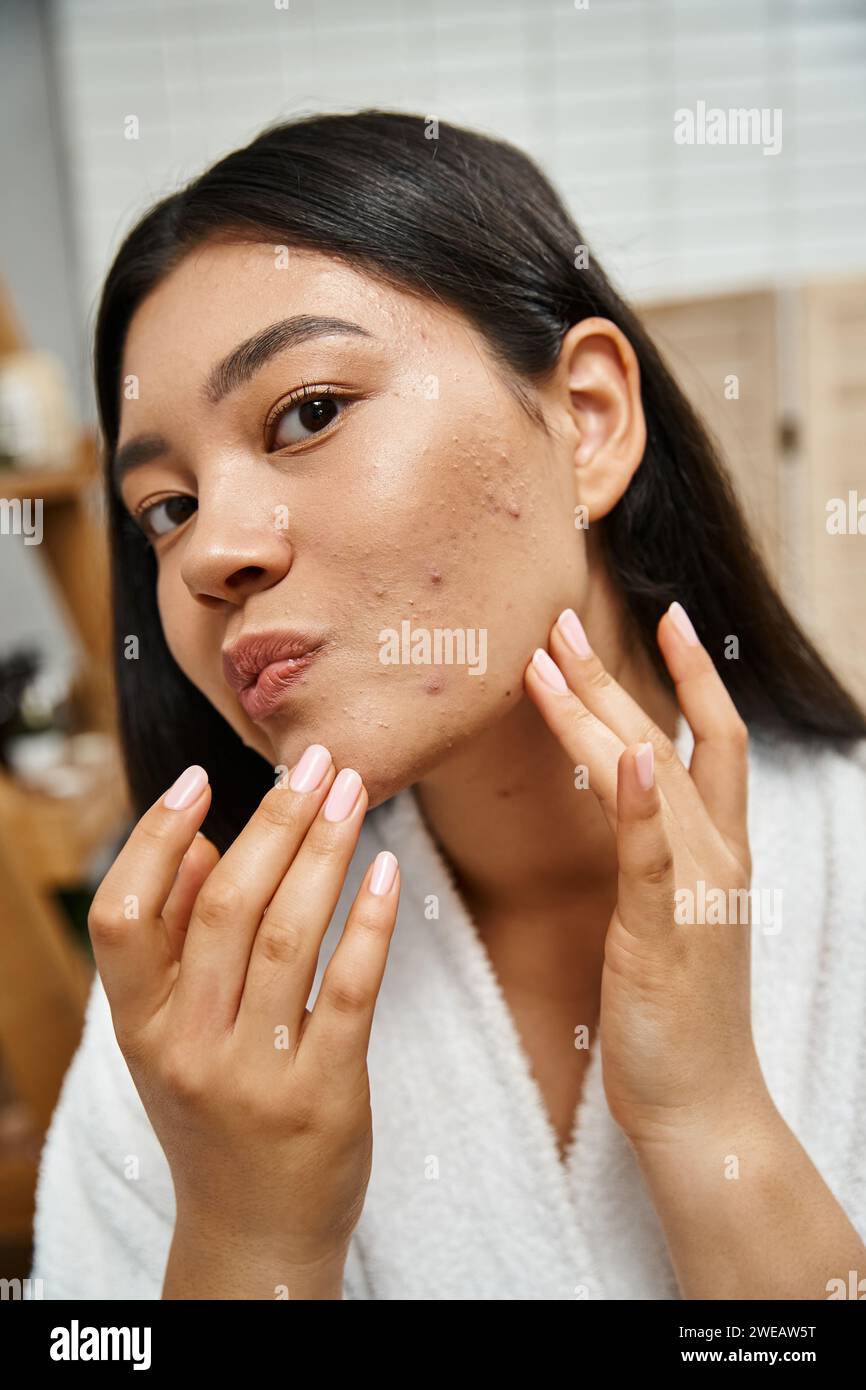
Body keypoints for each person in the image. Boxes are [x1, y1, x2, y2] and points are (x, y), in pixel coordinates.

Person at [30, 110, 866, 1300]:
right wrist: (250, 1239)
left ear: (584, 418)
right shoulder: (192, 1034)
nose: (207, 550)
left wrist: (712, 1124)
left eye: (307, 411)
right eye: (163, 508)